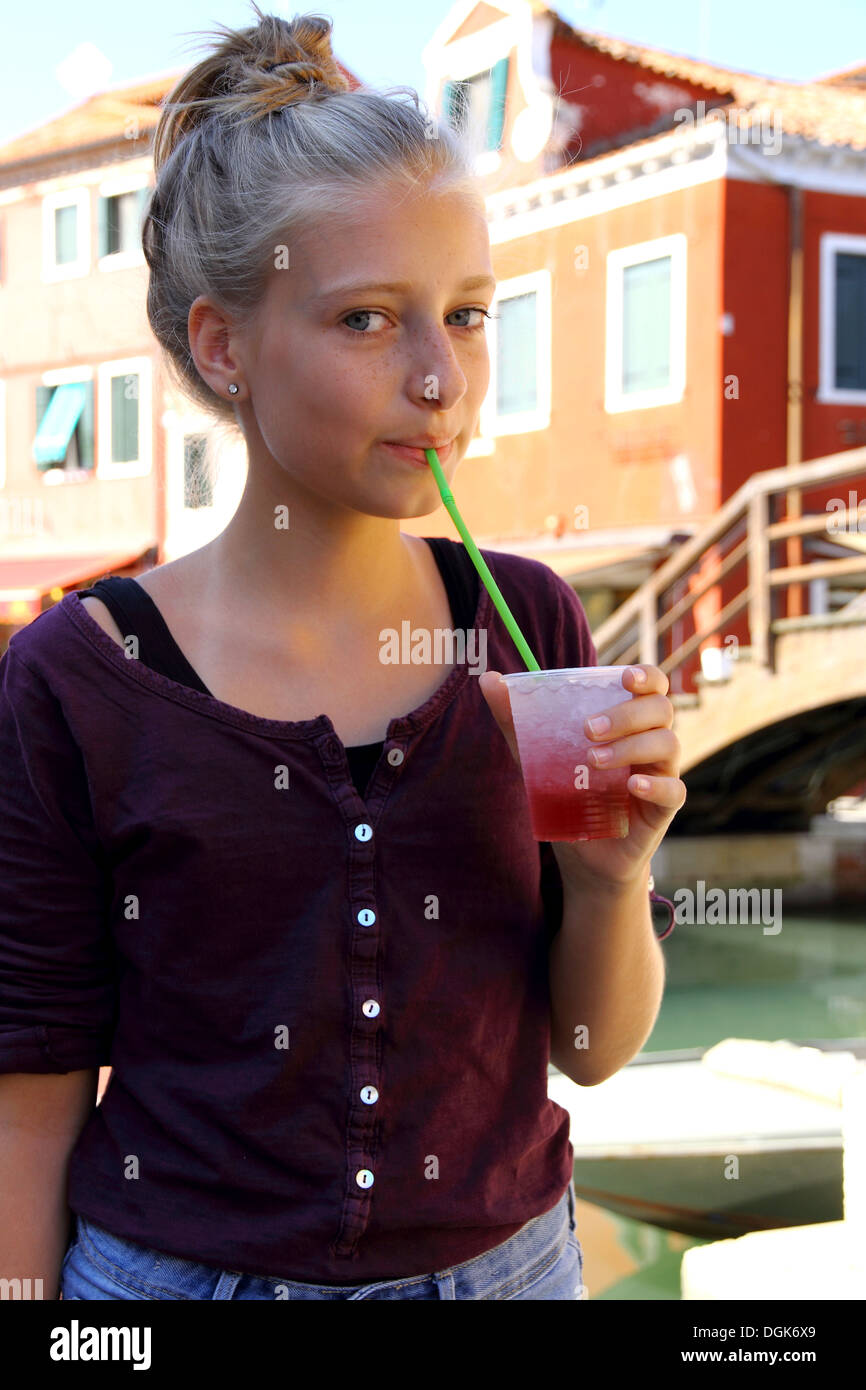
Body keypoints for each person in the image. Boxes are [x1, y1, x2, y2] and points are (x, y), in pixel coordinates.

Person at [0, 6, 682, 1302]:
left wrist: (609, 883)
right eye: (368, 320)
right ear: (222, 345)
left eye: (469, 316)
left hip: (511, 1270)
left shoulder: (525, 622)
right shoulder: (76, 679)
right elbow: (27, 1093)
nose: (441, 379)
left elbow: (592, 1050)